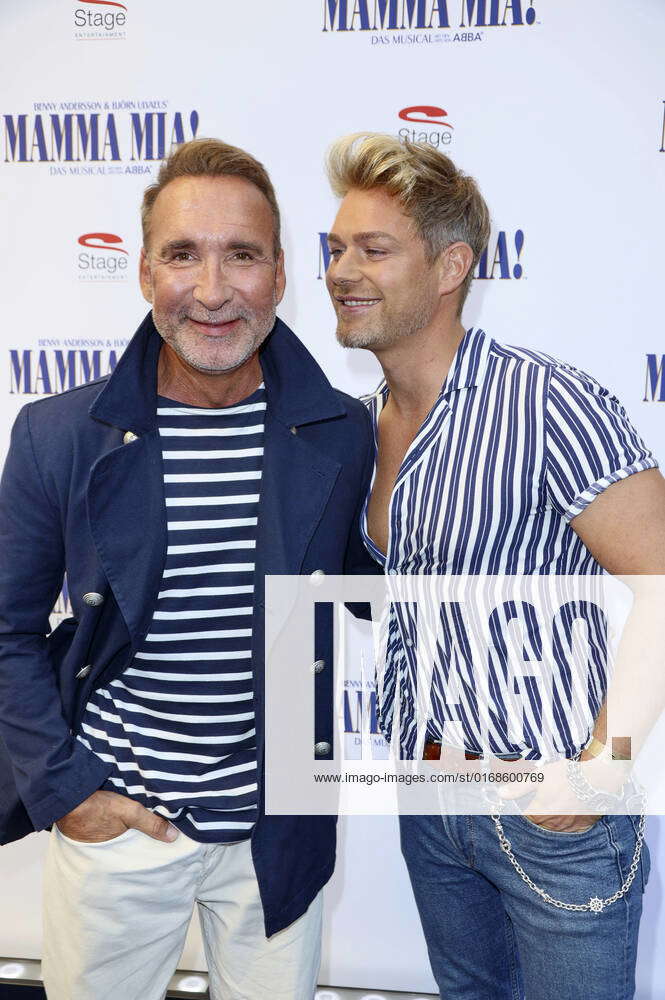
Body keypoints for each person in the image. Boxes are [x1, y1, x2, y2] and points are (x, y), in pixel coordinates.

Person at [0, 137, 376, 1000]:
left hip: (275, 834)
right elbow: (8, 633)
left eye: (241, 256)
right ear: (143, 274)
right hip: (117, 828)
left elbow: (385, 586)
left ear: (280, 276)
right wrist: (69, 793)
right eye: (183, 255)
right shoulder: (58, 437)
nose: (212, 291)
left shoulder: (341, 434)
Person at [324, 132, 665, 1000]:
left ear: (449, 268)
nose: (340, 271)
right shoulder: (361, 426)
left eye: (372, 249)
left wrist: (603, 765)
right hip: (428, 800)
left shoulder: (547, 401)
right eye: (333, 249)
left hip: (552, 810)